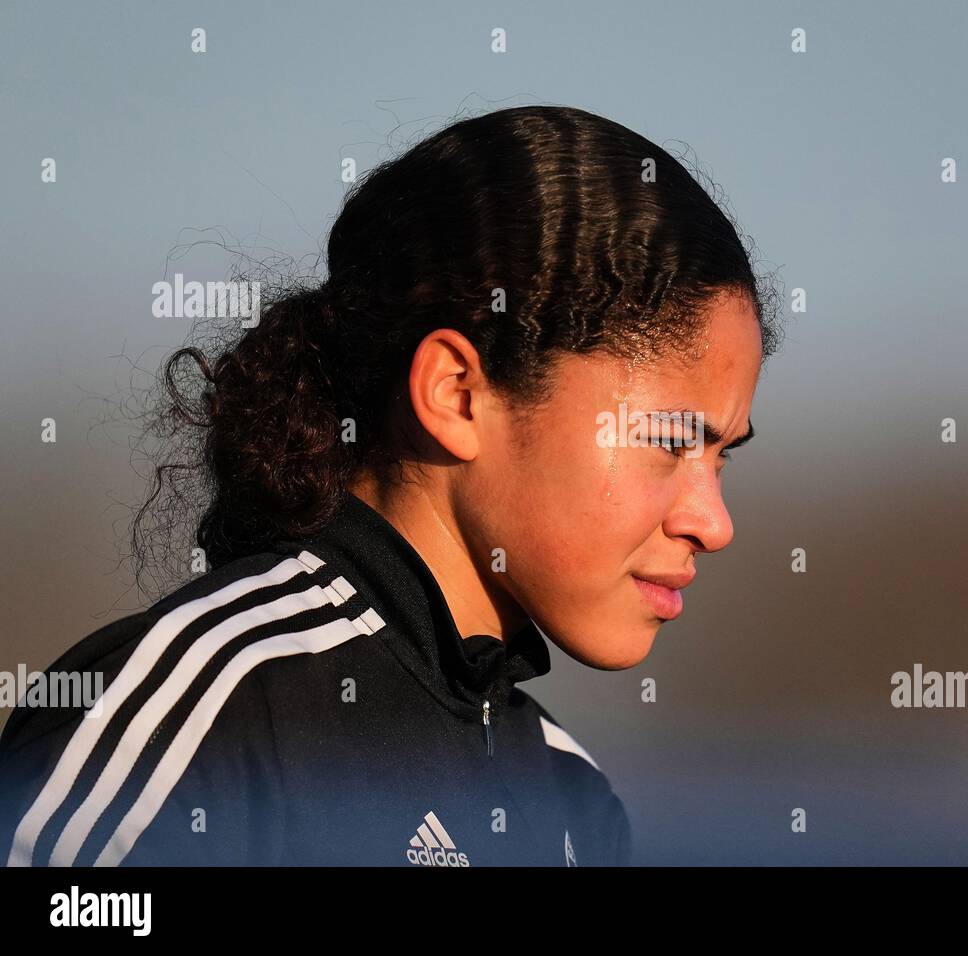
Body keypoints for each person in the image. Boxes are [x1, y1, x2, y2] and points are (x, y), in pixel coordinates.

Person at [0, 104, 781, 866]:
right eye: (669, 441)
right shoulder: (199, 720)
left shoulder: (575, 801)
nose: (714, 523)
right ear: (456, 394)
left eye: (722, 456)